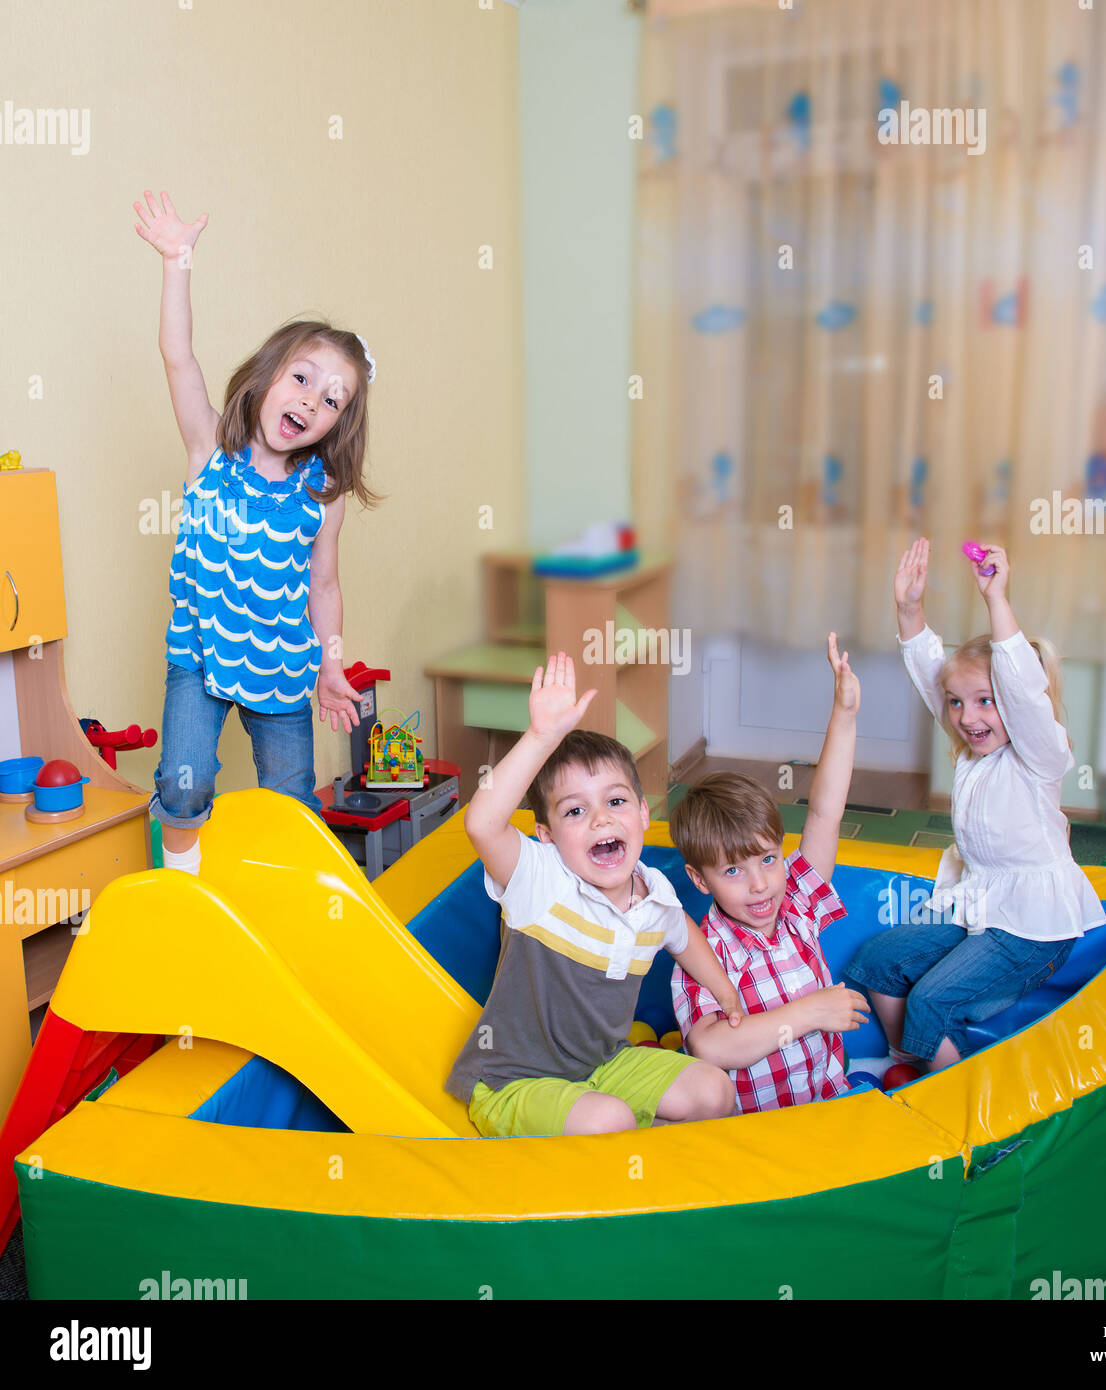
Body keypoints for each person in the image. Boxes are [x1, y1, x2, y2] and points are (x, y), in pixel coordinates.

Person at [133, 189, 374, 875]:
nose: (310, 400)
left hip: (281, 661)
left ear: (337, 424)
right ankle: (186, 890)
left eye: (332, 400)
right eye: (301, 378)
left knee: (291, 802)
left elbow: (323, 586)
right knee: (183, 780)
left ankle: (287, 897)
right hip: (201, 652)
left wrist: (330, 663)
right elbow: (177, 356)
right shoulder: (208, 447)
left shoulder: (321, 495)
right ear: (268, 376)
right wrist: (177, 262)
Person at [445, 652, 742, 1137]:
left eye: (616, 801)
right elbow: (481, 823)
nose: (602, 818)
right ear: (546, 833)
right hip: (515, 1082)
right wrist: (542, 736)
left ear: (645, 814)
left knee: (714, 1091)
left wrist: (726, 992)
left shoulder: (654, 893)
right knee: (608, 1119)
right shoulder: (540, 881)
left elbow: (681, 933)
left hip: (601, 1067)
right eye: (575, 811)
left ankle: (642, 1167)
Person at [851, 537, 1106, 1072]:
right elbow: (930, 675)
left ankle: (950, 1104)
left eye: (985, 701)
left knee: (930, 1001)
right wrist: (909, 609)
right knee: (876, 962)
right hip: (979, 906)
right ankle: (913, 1057)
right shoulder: (973, 750)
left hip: (1031, 928)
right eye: (959, 703)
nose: (968, 717)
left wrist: (996, 599)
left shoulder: (1038, 755)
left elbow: (1022, 691)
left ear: (1011, 701)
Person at [669, 635, 870, 1113]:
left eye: (767, 860)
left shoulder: (796, 899)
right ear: (701, 881)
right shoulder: (703, 952)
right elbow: (710, 1046)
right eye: (733, 870)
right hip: (755, 1135)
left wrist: (843, 716)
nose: (760, 884)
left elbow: (824, 812)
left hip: (823, 1104)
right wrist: (810, 1012)